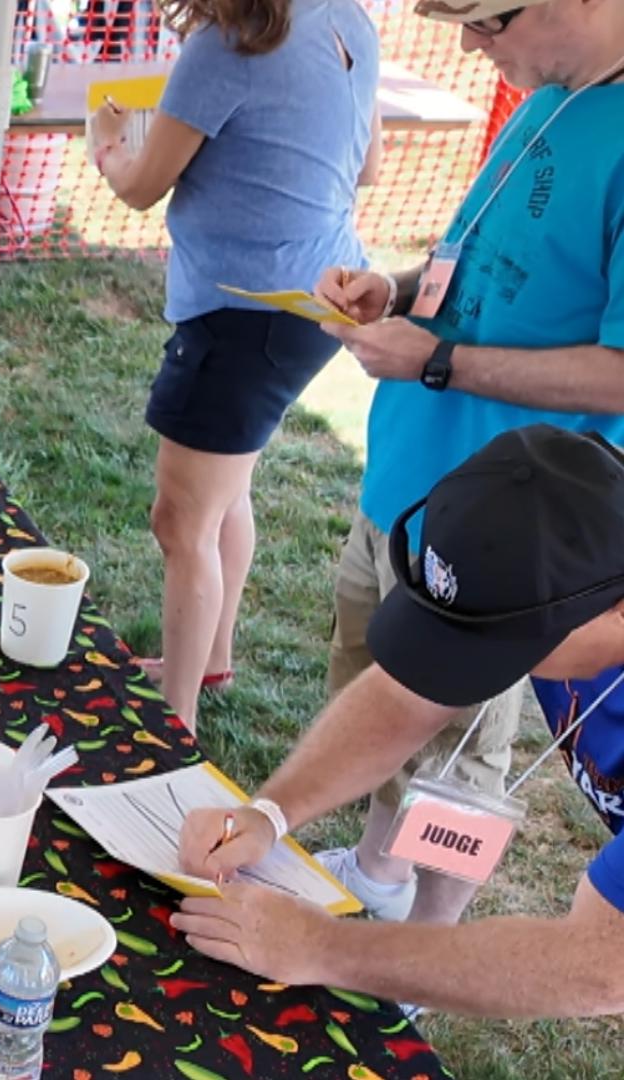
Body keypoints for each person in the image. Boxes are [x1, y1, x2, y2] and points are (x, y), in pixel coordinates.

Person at [303, 0, 624, 926]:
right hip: (408, 477)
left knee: (459, 756)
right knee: (373, 687)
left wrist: (438, 361)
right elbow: (479, 263)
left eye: (485, 22)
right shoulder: (552, 92)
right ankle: (376, 870)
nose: (468, 45)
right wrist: (395, 291)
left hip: (504, 533)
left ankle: (430, 938)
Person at [172, 425, 624, 1019]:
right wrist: (269, 813)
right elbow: (403, 697)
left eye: (498, 645)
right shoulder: (579, 573)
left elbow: (599, 968)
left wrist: (322, 946)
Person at [87, 0, 381, 736]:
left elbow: (140, 186)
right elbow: (369, 167)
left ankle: (175, 719)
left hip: (245, 311)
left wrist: (107, 144)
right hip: (323, 292)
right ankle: (210, 660)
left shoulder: (226, 47)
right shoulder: (349, 21)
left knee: (180, 520)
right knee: (225, 492)